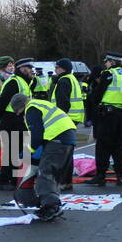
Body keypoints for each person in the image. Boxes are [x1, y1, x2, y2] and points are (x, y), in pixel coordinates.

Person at [11, 92, 76, 221]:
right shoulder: (41, 104)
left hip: (57, 139)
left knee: (45, 174)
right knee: (53, 174)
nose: (20, 115)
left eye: (18, 112)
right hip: (67, 137)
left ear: (20, 107)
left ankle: (52, 207)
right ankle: (50, 203)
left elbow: (36, 136)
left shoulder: (31, 109)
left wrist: (27, 153)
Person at [85, 50, 122, 186]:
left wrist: (93, 100)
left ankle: (100, 176)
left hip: (108, 115)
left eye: (106, 61)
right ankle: (120, 176)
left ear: (111, 62)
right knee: (119, 146)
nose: (105, 64)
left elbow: (97, 95)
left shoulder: (109, 74)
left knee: (103, 146)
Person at [0, 58, 35, 190]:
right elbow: (3, 101)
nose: (31, 71)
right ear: (23, 69)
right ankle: (4, 181)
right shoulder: (14, 82)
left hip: (19, 119)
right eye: (29, 68)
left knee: (16, 152)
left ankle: (12, 179)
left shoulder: (23, 81)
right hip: (11, 120)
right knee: (11, 152)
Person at [51, 58, 85, 191]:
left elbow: (63, 103)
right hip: (73, 118)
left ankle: (64, 181)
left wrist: (58, 120)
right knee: (68, 151)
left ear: (62, 69)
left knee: (63, 152)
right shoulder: (72, 79)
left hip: (65, 119)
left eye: (57, 67)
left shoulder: (64, 81)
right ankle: (67, 181)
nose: (55, 70)